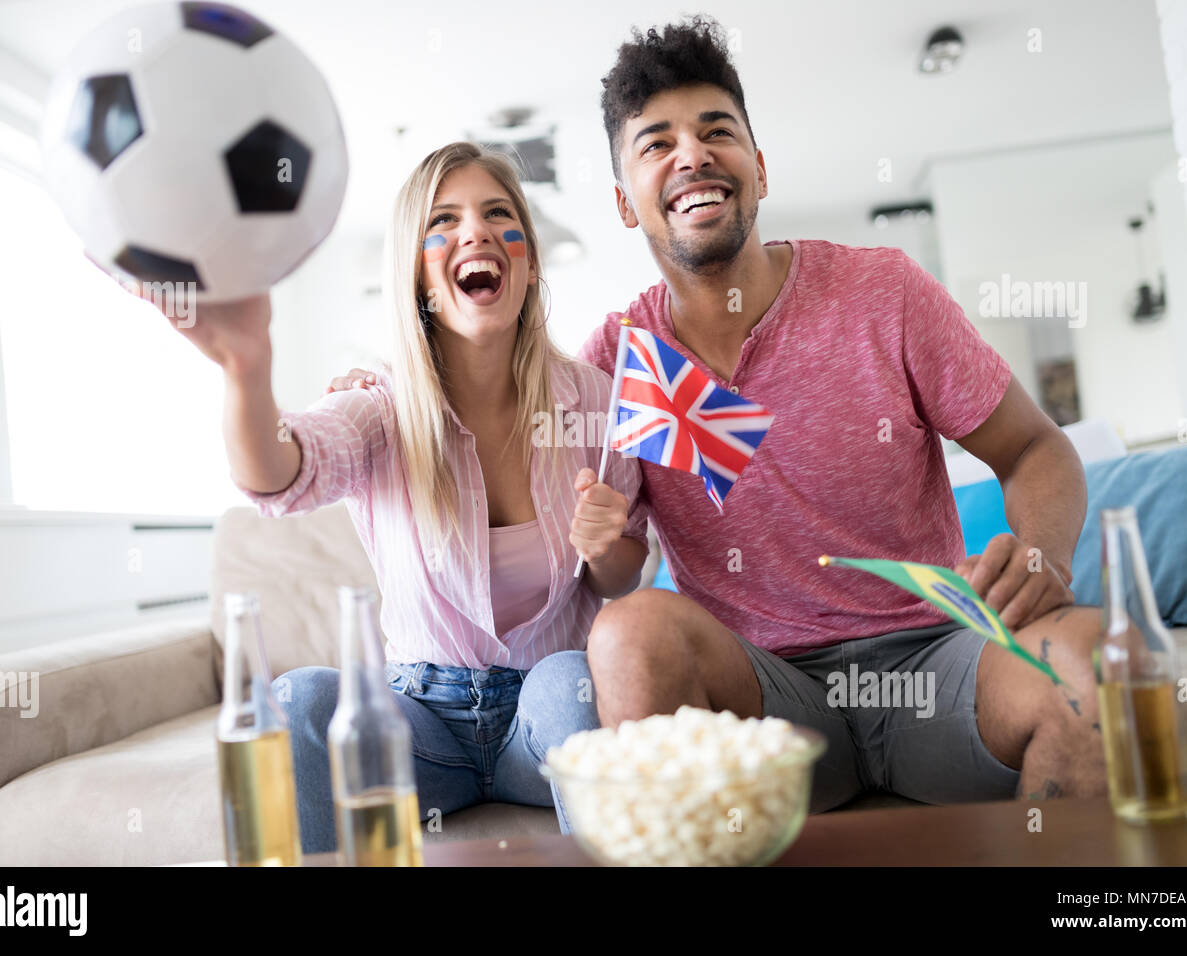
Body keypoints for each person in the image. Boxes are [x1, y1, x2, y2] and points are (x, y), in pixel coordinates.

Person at [333, 18, 1107, 813]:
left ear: (760, 169)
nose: (691, 155)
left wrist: (1045, 558)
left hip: (935, 661)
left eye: (715, 132)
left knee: (1091, 664)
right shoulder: (615, 364)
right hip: (758, 693)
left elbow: (1035, 450)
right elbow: (514, 419)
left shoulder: (886, 294)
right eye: (656, 144)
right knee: (628, 635)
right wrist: (389, 389)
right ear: (625, 204)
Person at [150, 141, 647, 851]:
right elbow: (277, 474)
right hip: (418, 728)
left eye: (498, 214)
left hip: (545, 717)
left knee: (571, 678)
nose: (474, 232)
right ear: (415, 272)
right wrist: (245, 367)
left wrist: (606, 548)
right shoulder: (380, 408)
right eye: (442, 221)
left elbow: (622, 575)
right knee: (298, 700)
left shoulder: (597, 404)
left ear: (529, 261)